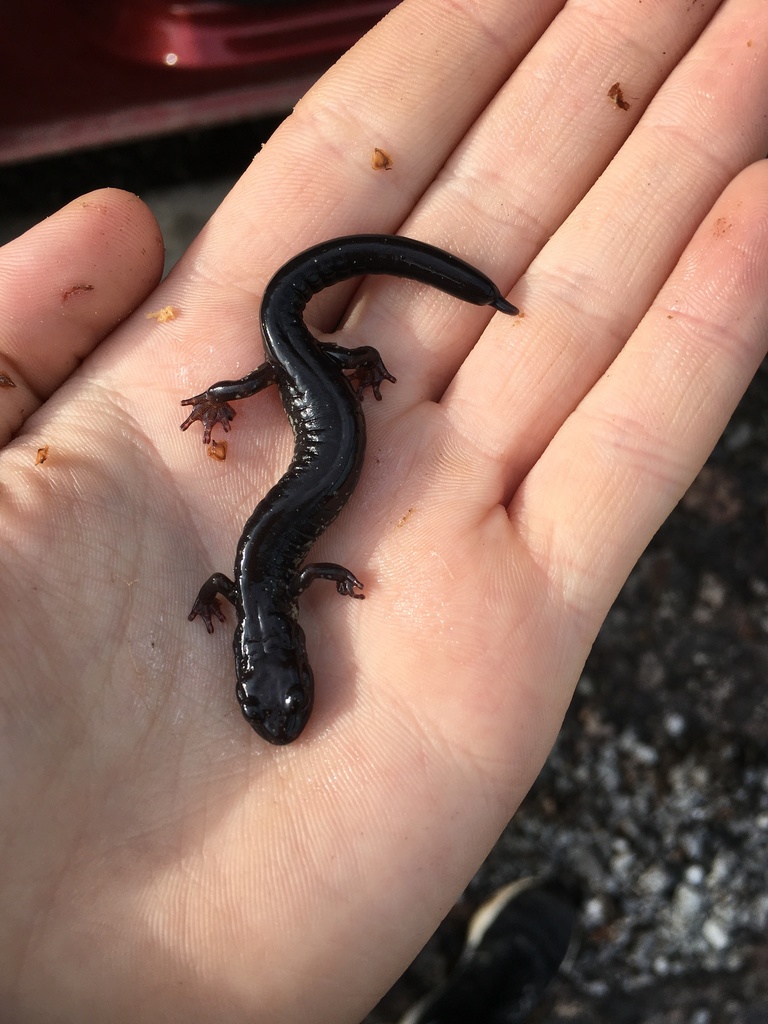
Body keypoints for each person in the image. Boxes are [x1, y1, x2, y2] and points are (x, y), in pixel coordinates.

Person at [0, 1, 766, 1020]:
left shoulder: (276, 589)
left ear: (264, 656)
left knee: (304, 352)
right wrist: (263, 578)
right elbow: (243, 583)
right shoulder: (254, 591)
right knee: (309, 360)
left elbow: (278, 579)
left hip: (300, 373)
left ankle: (399, 313)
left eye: (265, 681)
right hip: (306, 382)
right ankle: (368, 332)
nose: (275, 677)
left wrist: (314, 543)